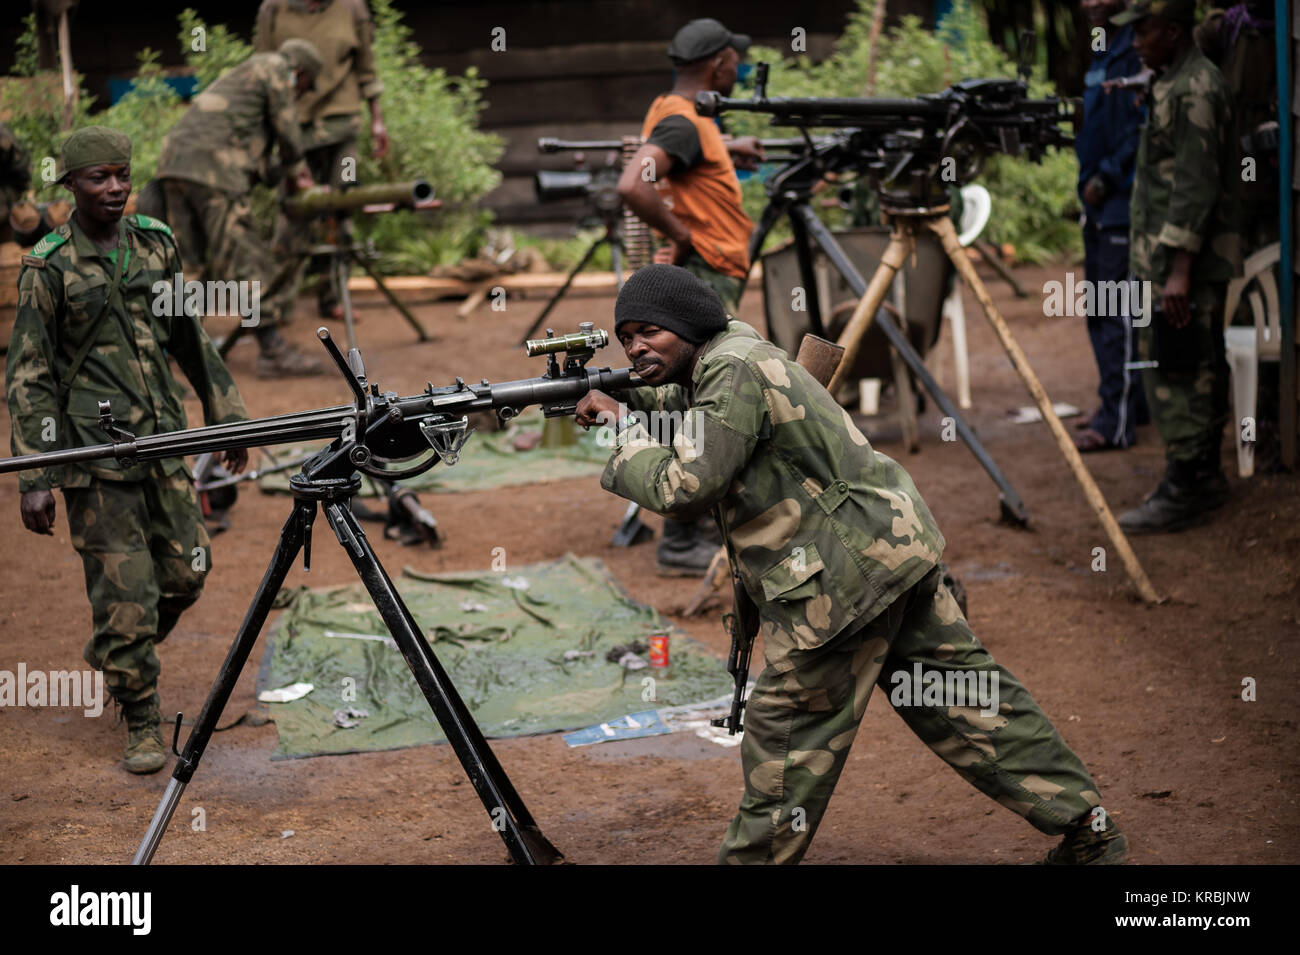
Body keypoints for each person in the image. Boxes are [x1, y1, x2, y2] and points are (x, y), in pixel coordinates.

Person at [575, 264, 1127, 865]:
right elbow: (695, 413)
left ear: (685, 323)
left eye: (647, 331)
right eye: (624, 337)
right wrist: (622, 394)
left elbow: (686, 486)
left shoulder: (731, 370)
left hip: (839, 585)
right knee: (968, 703)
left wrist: (622, 431)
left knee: (784, 743)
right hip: (892, 555)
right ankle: (1089, 831)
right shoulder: (736, 352)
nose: (634, 347)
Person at [5, 127, 249, 773]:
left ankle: (116, 651)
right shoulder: (48, 265)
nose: (113, 188)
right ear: (71, 185)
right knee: (127, 595)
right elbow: (29, 373)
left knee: (187, 573)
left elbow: (187, 333)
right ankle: (139, 713)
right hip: (94, 454)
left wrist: (228, 418)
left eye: (121, 175)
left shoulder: (154, 242)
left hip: (164, 439)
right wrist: (37, 473)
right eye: (96, 178)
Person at [617, 16, 763, 575]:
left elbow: (680, 150)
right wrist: (681, 237)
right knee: (700, 395)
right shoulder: (682, 121)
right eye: (735, 62)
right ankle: (681, 539)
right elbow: (634, 183)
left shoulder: (676, 113)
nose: (738, 70)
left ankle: (690, 521)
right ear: (719, 62)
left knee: (689, 394)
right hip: (705, 273)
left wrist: (727, 145)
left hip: (708, 270)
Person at [1114, 0, 1241, 533]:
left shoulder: (1197, 89)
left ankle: (1188, 485)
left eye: (1142, 31)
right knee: (1183, 362)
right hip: (1163, 259)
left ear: (1171, 30)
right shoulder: (1172, 80)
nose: (1135, 41)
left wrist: (1179, 272)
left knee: (1181, 369)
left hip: (1182, 264)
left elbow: (1195, 183)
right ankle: (1197, 474)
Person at [152, 39, 325, 377]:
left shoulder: (242, 83)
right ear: (300, 73)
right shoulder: (275, 66)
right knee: (245, 256)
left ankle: (179, 351)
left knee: (189, 265)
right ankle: (272, 350)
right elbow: (287, 128)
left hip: (175, 165)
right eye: (306, 87)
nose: (302, 94)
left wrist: (278, 170)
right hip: (214, 171)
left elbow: (256, 157)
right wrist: (297, 169)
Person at [253, 0, 388, 321]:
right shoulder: (273, 8)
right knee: (293, 209)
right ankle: (278, 304)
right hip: (293, 126)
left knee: (342, 206)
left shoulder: (353, 8)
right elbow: (262, 66)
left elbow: (367, 67)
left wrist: (377, 119)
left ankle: (334, 296)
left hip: (343, 124)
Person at [1073, 0, 1149, 453]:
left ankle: (1117, 423)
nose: (1089, 3)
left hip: (1117, 201)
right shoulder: (1102, 51)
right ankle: (1120, 405)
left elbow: (1136, 132)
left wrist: (1106, 176)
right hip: (1095, 201)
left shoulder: (1134, 51)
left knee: (1117, 309)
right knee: (1099, 309)